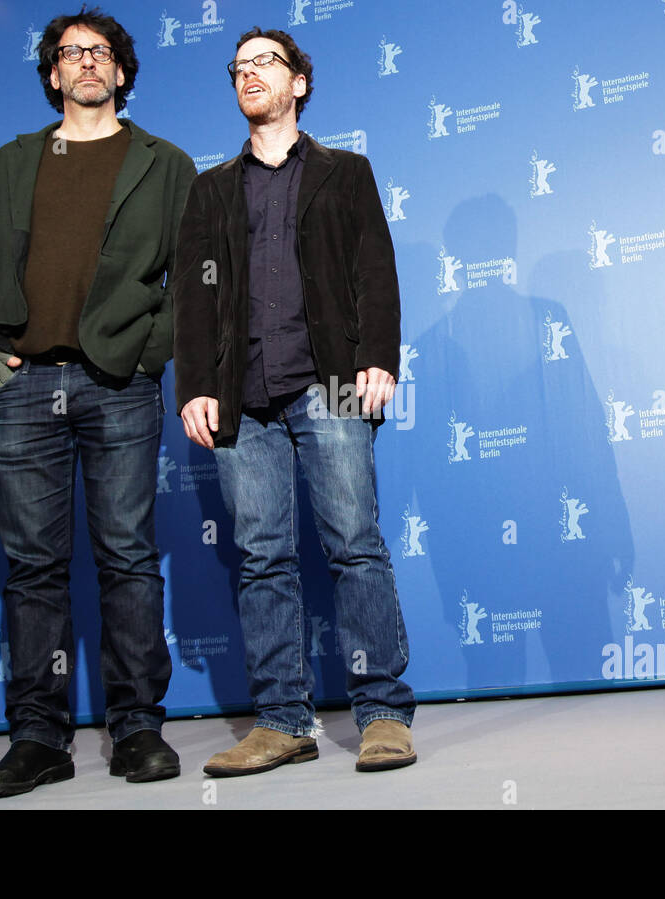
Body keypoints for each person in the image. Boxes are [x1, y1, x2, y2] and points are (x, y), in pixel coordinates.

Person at [0, 6, 196, 799]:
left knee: (126, 556)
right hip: (23, 388)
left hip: (120, 384)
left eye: (101, 52)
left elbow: (194, 280)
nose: (86, 62)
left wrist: (145, 357)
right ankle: (38, 739)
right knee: (33, 570)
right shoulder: (8, 164)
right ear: (53, 74)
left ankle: (138, 728)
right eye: (70, 53)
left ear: (121, 71)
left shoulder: (167, 164)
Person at [172, 27, 416, 776]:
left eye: (264, 63)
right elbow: (192, 297)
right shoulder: (211, 189)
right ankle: (281, 720)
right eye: (238, 67)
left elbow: (374, 269)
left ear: (299, 82)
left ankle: (381, 712)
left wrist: (376, 358)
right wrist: (195, 387)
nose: (249, 75)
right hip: (243, 396)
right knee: (262, 558)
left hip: (331, 380)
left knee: (355, 543)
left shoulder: (346, 174)